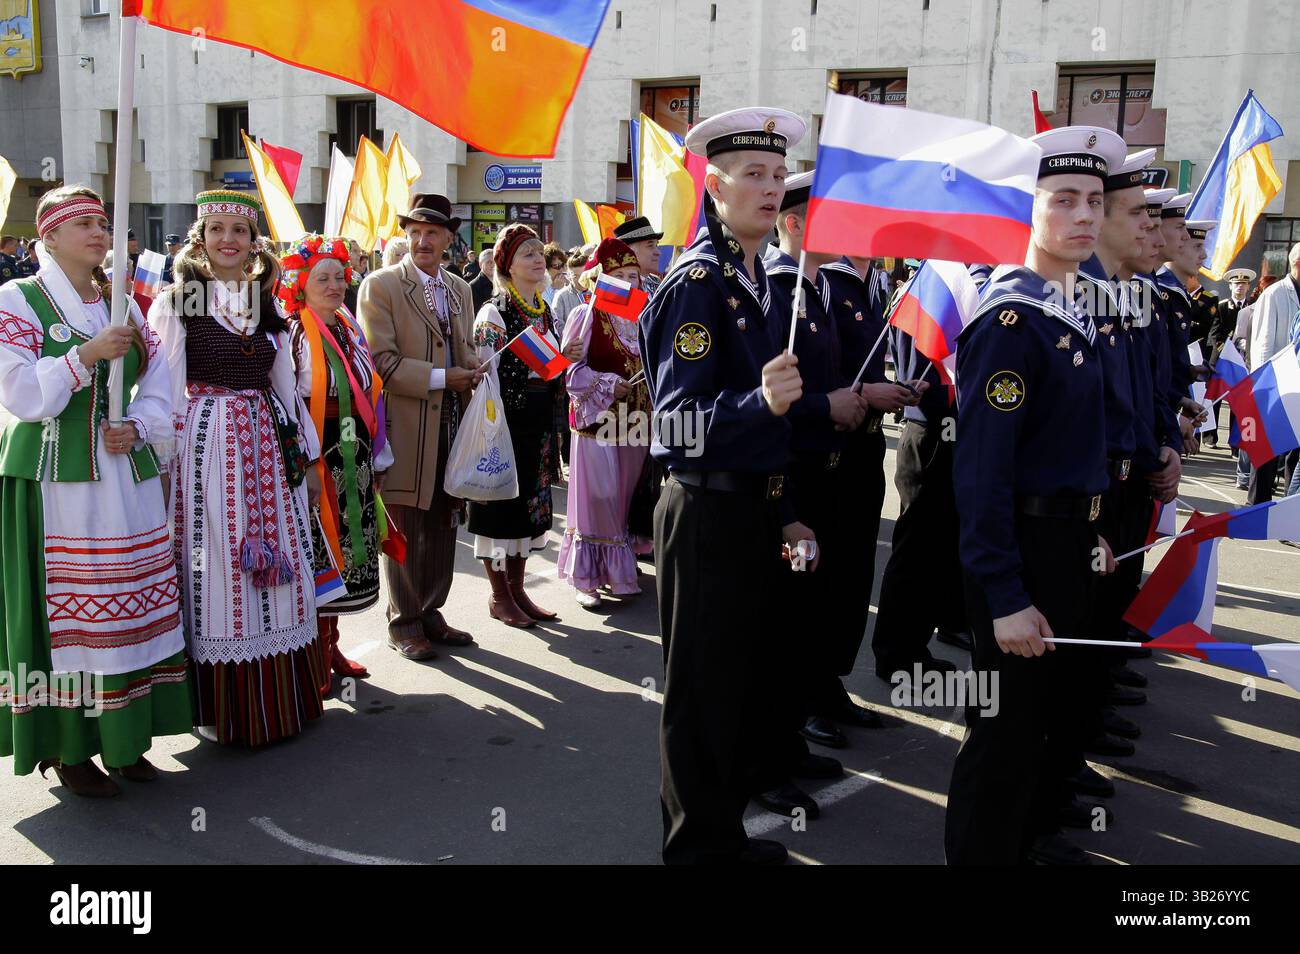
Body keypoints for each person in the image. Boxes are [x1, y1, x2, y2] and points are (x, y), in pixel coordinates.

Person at [945, 126, 1126, 867]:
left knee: (1040, 720)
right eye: (1063, 200)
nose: (1083, 215)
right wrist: (1003, 594)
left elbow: (1066, 447)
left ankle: (1019, 845)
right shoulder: (1011, 321)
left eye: (1093, 200)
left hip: (1062, 547)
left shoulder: (1066, 310)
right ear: (1026, 210)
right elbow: (982, 476)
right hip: (1019, 554)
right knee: (1005, 729)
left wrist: (1090, 528)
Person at [640, 106, 811, 865]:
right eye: (752, 175)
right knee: (703, 693)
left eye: (777, 175)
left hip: (751, 508)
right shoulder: (701, 282)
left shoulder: (756, 277)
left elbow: (770, 426)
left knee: (741, 685)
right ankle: (697, 852)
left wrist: (789, 514)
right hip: (706, 507)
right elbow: (672, 425)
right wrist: (757, 403)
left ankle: (724, 835)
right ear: (713, 184)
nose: (770, 188)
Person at [0, 185, 191, 796]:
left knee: (129, 603)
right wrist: (84, 355)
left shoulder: (126, 306)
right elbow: (22, 395)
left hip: (120, 473)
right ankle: (69, 747)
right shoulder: (18, 299)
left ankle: (126, 740)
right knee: (71, 620)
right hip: (57, 483)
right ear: (47, 236)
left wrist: (139, 424)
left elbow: (160, 383)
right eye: (80, 222)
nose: (97, 231)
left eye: (102, 222)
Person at [151, 189, 324, 747]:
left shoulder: (269, 303)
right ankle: (228, 712)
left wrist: (311, 457)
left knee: (281, 566)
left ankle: (281, 705)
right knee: (216, 571)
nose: (228, 239)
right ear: (200, 239)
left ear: (255, 244)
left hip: (270, 448)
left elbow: (289, 392)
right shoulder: (179, 301)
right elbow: (164, 389)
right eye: (217, 228)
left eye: (239, 230)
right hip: (206, 447)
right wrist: (162, 464)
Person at [358, 194, 481, 659]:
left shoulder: (460, 288)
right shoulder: (381, 285)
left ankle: (431, 610)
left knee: (445, 519)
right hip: (406, 423)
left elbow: (463, 348)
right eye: (414, 231)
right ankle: (403, 619)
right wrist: (443, 377)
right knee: (406, 521)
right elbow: (382, 364)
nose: (421, 240)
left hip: (451, 418)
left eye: (432, 232)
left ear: (450, 238)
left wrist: (474, 367)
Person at [283, 235, 393, 692]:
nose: (333, 285)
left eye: (338, 276)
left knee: (350, 545)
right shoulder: (292, 333)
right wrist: (305, 460)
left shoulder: (348, 326)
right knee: (321, 545)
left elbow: (370, 389)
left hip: (355, 451)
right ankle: (311, 653)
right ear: (300, 284)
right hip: (319, 453)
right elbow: (288, 400)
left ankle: (331, 645)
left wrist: (377, 448)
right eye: (320, 278)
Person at [469, 223, 576, 627]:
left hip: (539, 425)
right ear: (507, 266)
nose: (536, 259)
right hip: (506, 425)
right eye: (526, 253)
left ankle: (517, 590)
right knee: (501, 511)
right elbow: (485, 373)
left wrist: (562, 358)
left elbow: (548, 366)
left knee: (530, 509)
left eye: (538, 252)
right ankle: (499, 596)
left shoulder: (543, 310)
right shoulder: (493, 312)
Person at [556, 237, 652, 608]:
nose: (630, 282)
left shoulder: (640, 317)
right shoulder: (585, 314)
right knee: (599, 501)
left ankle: (617, 569)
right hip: (598, 426)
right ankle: (587, 579)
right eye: (620, 275)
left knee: (622, 501)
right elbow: (572, 375)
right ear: (601, 278)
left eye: (634, 275)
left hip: (636, 425)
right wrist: (609, 384)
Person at [1245, 242, 1300, 503]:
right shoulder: (1276, 294)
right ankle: (1258, 504)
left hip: (1298, 385)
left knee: (1296, 452)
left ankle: (1289, 509)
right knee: (1267, 450)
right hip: (1276, 382)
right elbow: (1263, 342)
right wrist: (1263, 387)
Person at [613, 216, 665, 297]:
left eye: (656, 245)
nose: (658, 252)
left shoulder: (656, 282)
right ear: (629, 251)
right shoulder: (616, 286)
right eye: (650, 245)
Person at [344, 239, 371, 315]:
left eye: (359, 251)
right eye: (355, 251)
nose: (359, 254)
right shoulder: (335, 277)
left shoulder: (356, 276)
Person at [468, 248, 495, 314]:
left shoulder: (500, 284)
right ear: (480, 264)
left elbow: (502, 309)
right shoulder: (473, 286)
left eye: (495, 262)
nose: (493, 265)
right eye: (489, 262)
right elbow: (476, 313)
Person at [541, 242, 567, 307]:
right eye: (556, 266)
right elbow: (551, 312)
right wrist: (556, 289)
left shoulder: (566, 283)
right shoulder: (540, 287)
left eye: (562, 265)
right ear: (546, 268)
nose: (561, 270)